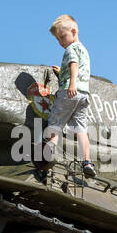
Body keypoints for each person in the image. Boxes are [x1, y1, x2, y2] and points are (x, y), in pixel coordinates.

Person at [29, 14, 95, 180]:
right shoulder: (84, 50)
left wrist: (71, 83)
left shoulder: (71, 49)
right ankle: (87, 161)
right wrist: (62, 74)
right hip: (83, 94)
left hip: (69, 91)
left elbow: (74, 65)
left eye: (62, 36)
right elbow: (79, 69)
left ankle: (48, 154)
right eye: (58, 39)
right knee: (81, 129)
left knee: (55, 123)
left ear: (73, 31)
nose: (61, 42)